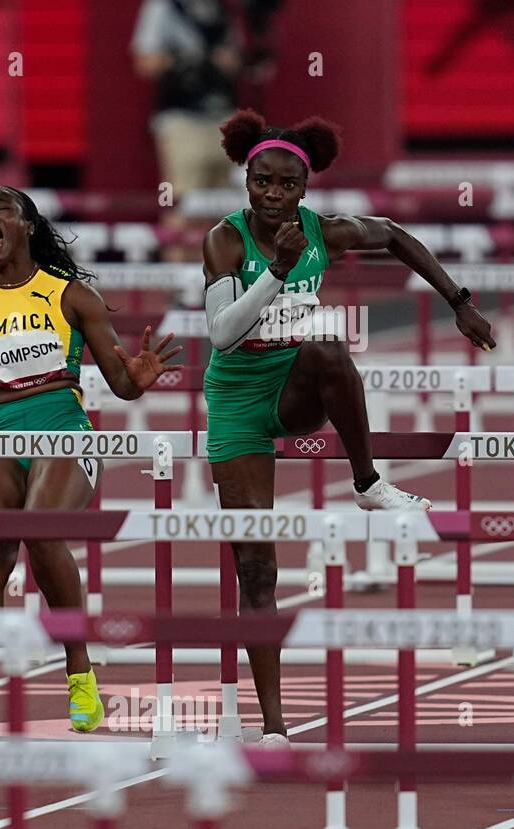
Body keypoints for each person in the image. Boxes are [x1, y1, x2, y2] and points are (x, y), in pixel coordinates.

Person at [201, 109, 495, 748]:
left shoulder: (324, 233)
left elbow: (392, 235)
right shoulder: (224, 241)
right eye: (262, 183)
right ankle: (275, 725)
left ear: (304, 191)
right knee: (256, 568)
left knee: (329, 347)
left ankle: (366, 482)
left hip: (296, 379)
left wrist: (459, 302)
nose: (273, 196)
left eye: (285, 185)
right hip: (236, 395)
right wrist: (275, 271)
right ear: (245, 181)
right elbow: (221, 334)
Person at [0, 187, 184, 735]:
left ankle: (79, 672)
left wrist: (139, 379)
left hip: (63, 431)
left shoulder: (71, 296)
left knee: (39, 531)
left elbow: (122, 384)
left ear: (27, 225)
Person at [131, 0, 244, 227]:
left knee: (231, 212)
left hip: (223, 117)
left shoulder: (222, 8)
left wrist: (230, 61)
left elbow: (237, 57)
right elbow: (145, 62)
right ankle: (178, 261)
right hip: (183, 120)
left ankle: (222, 262)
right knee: (185, 206)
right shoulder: (164, 7)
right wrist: (192, 60)